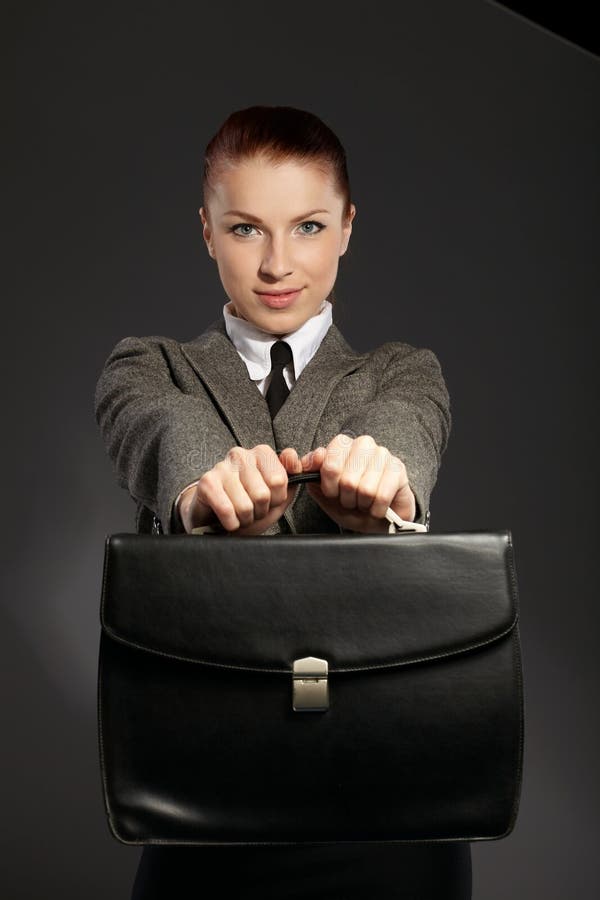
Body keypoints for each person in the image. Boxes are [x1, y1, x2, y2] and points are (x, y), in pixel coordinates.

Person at [94, 105, 471, 899]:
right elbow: (165, 426)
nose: (276, 264)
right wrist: (205, 494)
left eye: (305, 226)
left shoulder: (402, 371)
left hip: (390, 809)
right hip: (202, 804)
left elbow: (403, 427)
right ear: (206, 231)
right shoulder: (149, 367)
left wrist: (385, 477)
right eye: (244, 230)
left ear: (346, 229)